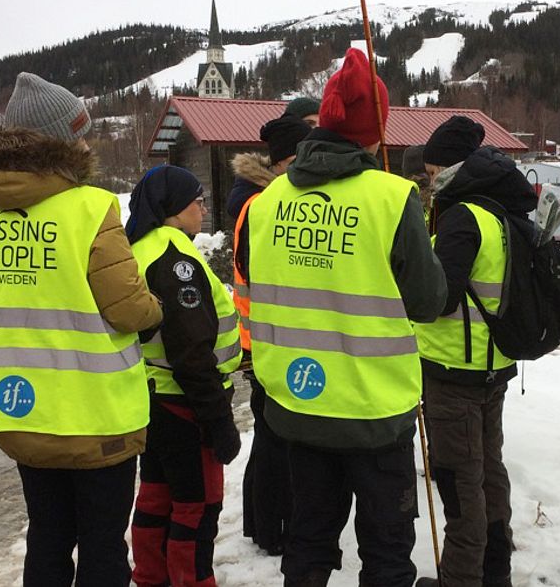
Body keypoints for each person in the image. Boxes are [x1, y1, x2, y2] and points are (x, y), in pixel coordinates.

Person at [239, 47, 447, 587]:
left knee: (308, 539)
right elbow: (427, 301)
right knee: (386, 550)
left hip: (299, 405)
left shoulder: (267, 201)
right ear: (375, 130)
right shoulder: (391, 197)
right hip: (376, 413)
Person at [0, 71, 163, 586]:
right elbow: (126, 309)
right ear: (58, 140)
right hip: (95, 418)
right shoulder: (91, 209)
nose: (85, 141)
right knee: (102, 545)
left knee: (47, 536)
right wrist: (157, 309)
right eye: (78, 132)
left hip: (21, 411)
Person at [413, 116, 535, 587]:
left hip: (454, 373)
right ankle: (494, 571)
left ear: (448, 167)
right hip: (492, 366)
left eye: (430, 172)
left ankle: (461, 579)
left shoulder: (463, 216)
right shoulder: (499, 209)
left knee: (458, 480)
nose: (428, 181)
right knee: (488, 472)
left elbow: (439, 298)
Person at [125, 164, 243, 587]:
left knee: (156, 496)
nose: (203, 208)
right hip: (185, 404)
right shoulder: (178, 262)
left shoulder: (138, 249)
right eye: (198, 200)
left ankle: (151, 577)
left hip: (151, 399)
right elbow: (191, 353)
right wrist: (218, 420)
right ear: (175, 208)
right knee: (197, 505)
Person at [227, 114, 313, 555]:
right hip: (265, 341)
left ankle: (264, 525)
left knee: (270, 438)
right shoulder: (262, 206)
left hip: (263, 338)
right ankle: (270, 529)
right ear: (288, 159)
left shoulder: (264, 201)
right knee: (273, 440)